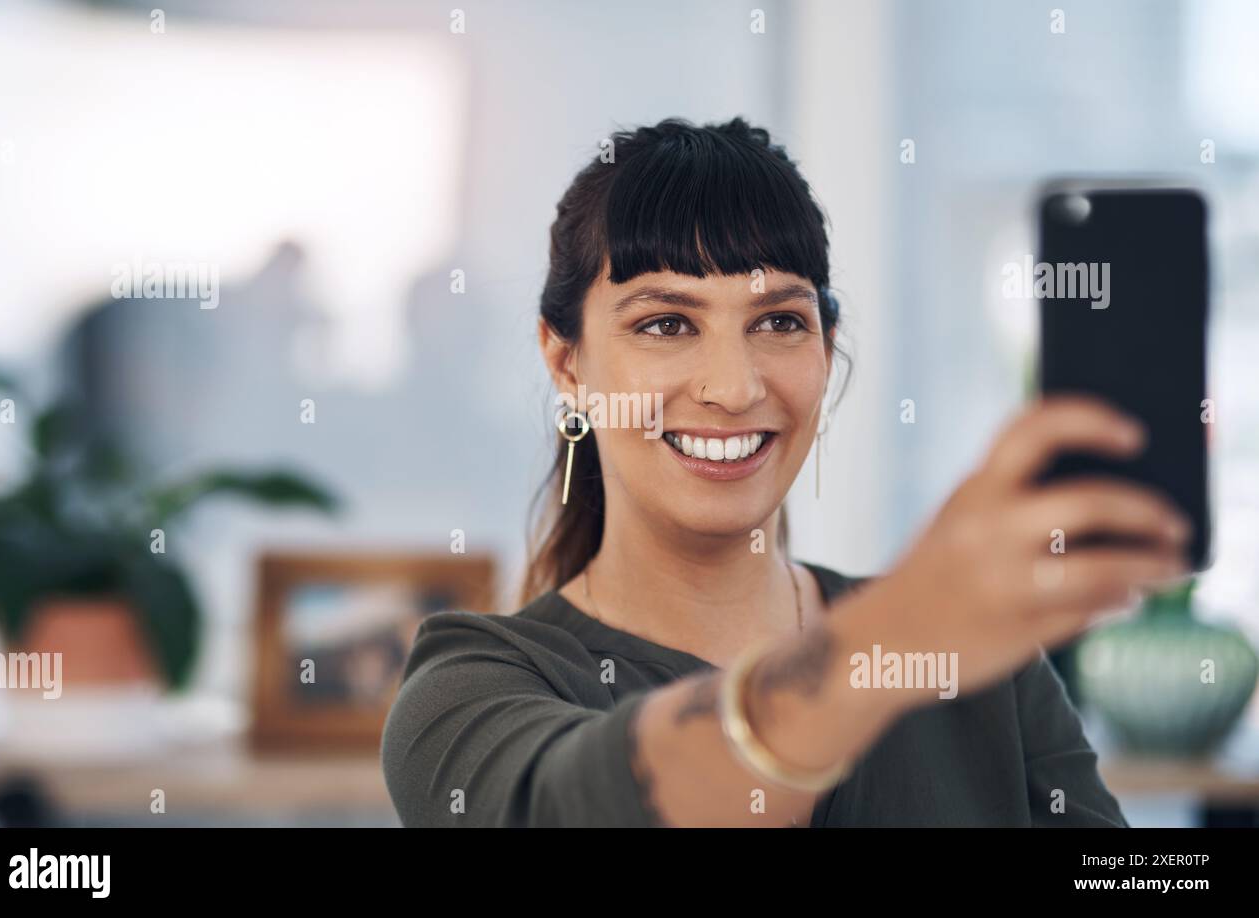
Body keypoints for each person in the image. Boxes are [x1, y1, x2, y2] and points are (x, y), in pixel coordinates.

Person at [381, 117, 1190, 827]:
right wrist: (895, 636)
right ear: (566, 363)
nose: (734, 388)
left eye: (779, 321)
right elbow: (574, 809)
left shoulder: (990, 670)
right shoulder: (467, 688)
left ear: (825, 350)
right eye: (666, 323)